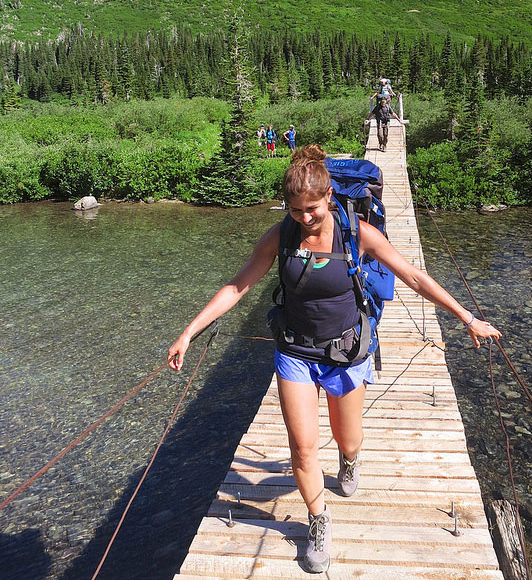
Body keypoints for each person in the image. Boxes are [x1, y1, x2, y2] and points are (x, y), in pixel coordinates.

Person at [168, 145, 502, 574]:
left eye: (311, 209)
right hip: (295, 353)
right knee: (303, 449)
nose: (304, 218)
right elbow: (237, 286)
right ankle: (317, 520)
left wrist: (467, 317)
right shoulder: (279, 236)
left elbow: (414, 276)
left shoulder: (357, 232)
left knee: (349, 440)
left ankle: (348, 460)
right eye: (294, 210)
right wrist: (187, 333)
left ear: (328, 197)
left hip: (346, 352)